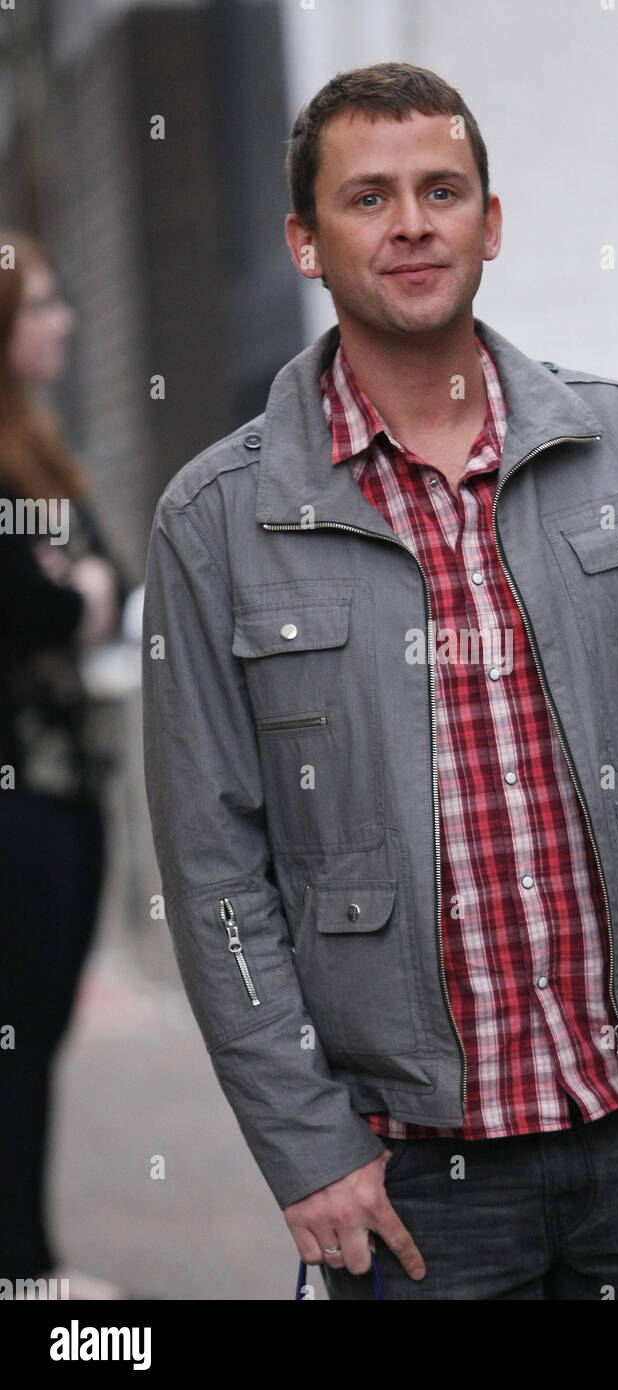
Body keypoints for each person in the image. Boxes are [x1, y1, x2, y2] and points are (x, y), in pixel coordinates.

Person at [141, 62, 618, 1301]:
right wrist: (306, 1147)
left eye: (442, 190)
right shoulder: (216, 521)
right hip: (408, 1175)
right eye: (368, 199)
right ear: (304, 243)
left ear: (491, 222)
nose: (413, 224)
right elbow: (215, 872)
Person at [0, 229, 128, 1297]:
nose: (64, 321)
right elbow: (37, 597)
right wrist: (67, 591)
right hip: (20, 797)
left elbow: (108, 576)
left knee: (32, 1034)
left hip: (59, 787)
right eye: (42, 303)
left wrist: (76, 589)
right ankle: (26, 1276)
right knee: (17, 1031)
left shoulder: (33, 444)